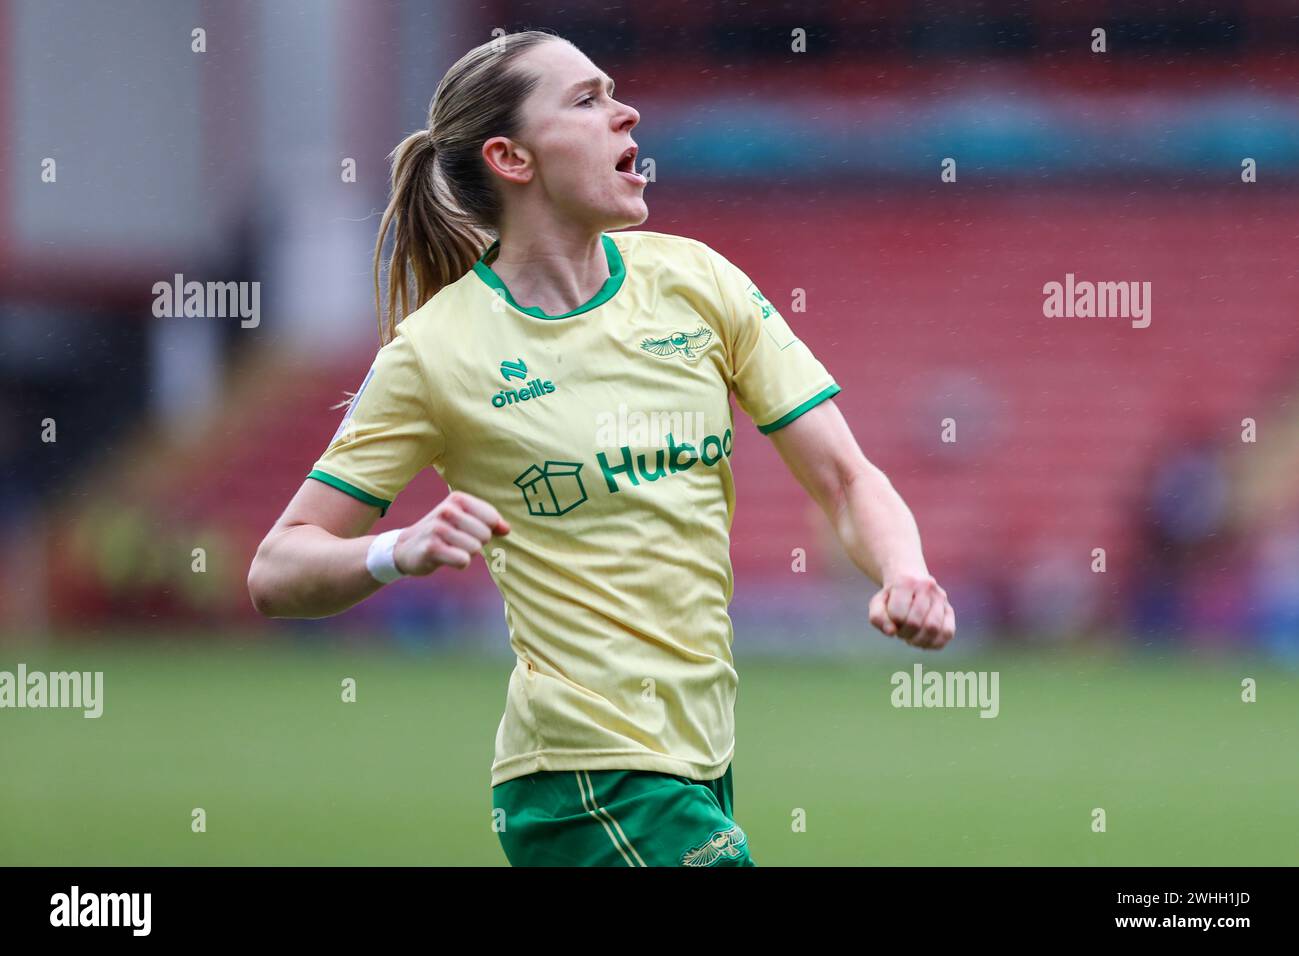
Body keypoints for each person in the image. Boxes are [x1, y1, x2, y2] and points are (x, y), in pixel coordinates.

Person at [247, 29, 955, 867]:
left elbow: (843, 478)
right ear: (512, 158)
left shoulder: (696, 281)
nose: (627, 113)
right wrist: (398, 549)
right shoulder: (432, 353)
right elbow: (276, 571)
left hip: (698, 761)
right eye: (587, 100)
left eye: (613, 91)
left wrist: (905, 570)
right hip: (583, 775)